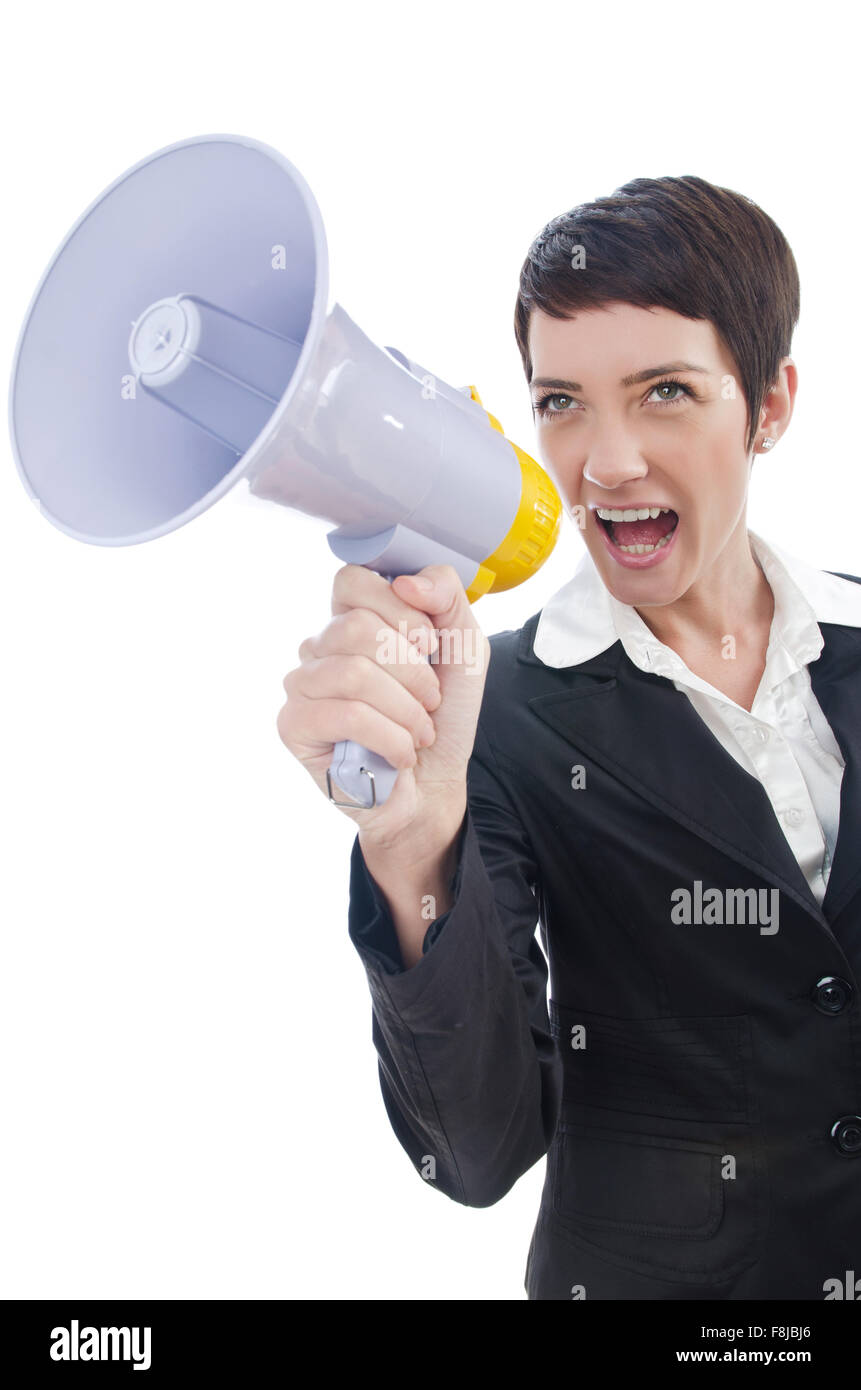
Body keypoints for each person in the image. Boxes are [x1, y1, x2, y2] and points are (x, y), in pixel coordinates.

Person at [276, 175, 861, 1300]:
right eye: (562, 402)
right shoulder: (491, 715)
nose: (606, 462)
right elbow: (481, 1149)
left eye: (665, 393)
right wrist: (412, 846)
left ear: (772, 406)